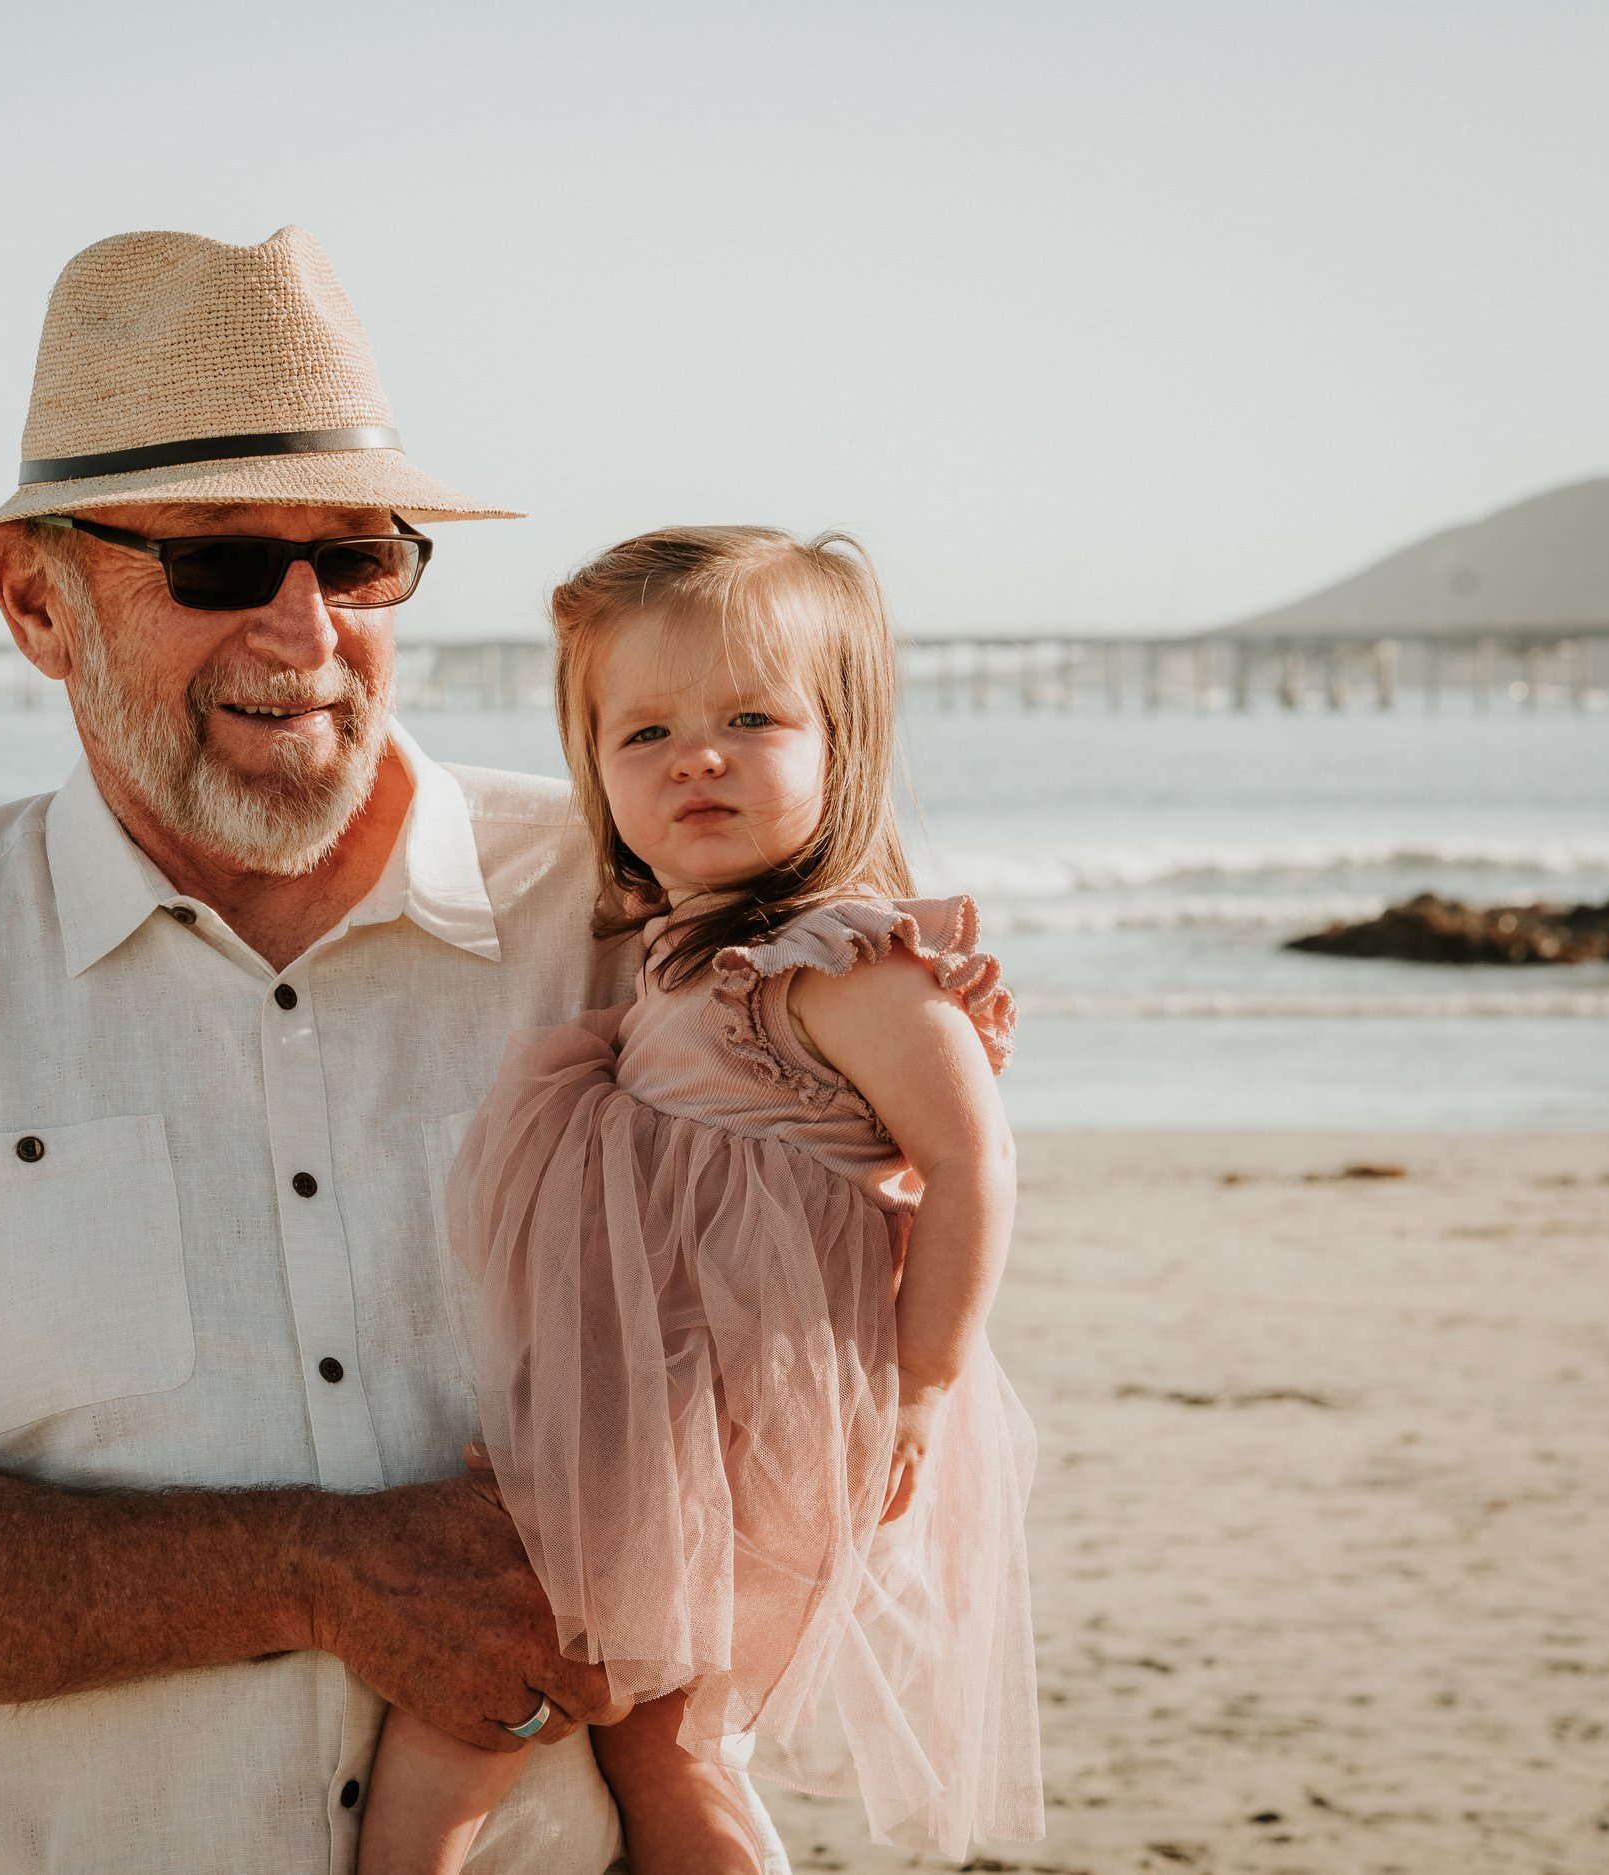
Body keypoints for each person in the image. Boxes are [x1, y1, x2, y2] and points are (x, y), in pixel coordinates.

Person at [0, 226, 793, 1873]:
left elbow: (854, 1355)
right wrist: (322, 1571)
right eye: (218, 565)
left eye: (361, 559)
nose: (307, 630)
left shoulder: (641, 920)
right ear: (37, 602)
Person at [357, 528, 1045, 1873]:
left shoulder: (838, 961)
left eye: (751, 718)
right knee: (648, 1734)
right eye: (645, 732)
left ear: (841, 741)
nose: (697, 756)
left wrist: (920, 1384)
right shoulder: (682, 951)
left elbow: (970, 1164)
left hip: (743, 1427)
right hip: (655, 1416)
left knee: (496, 1685)